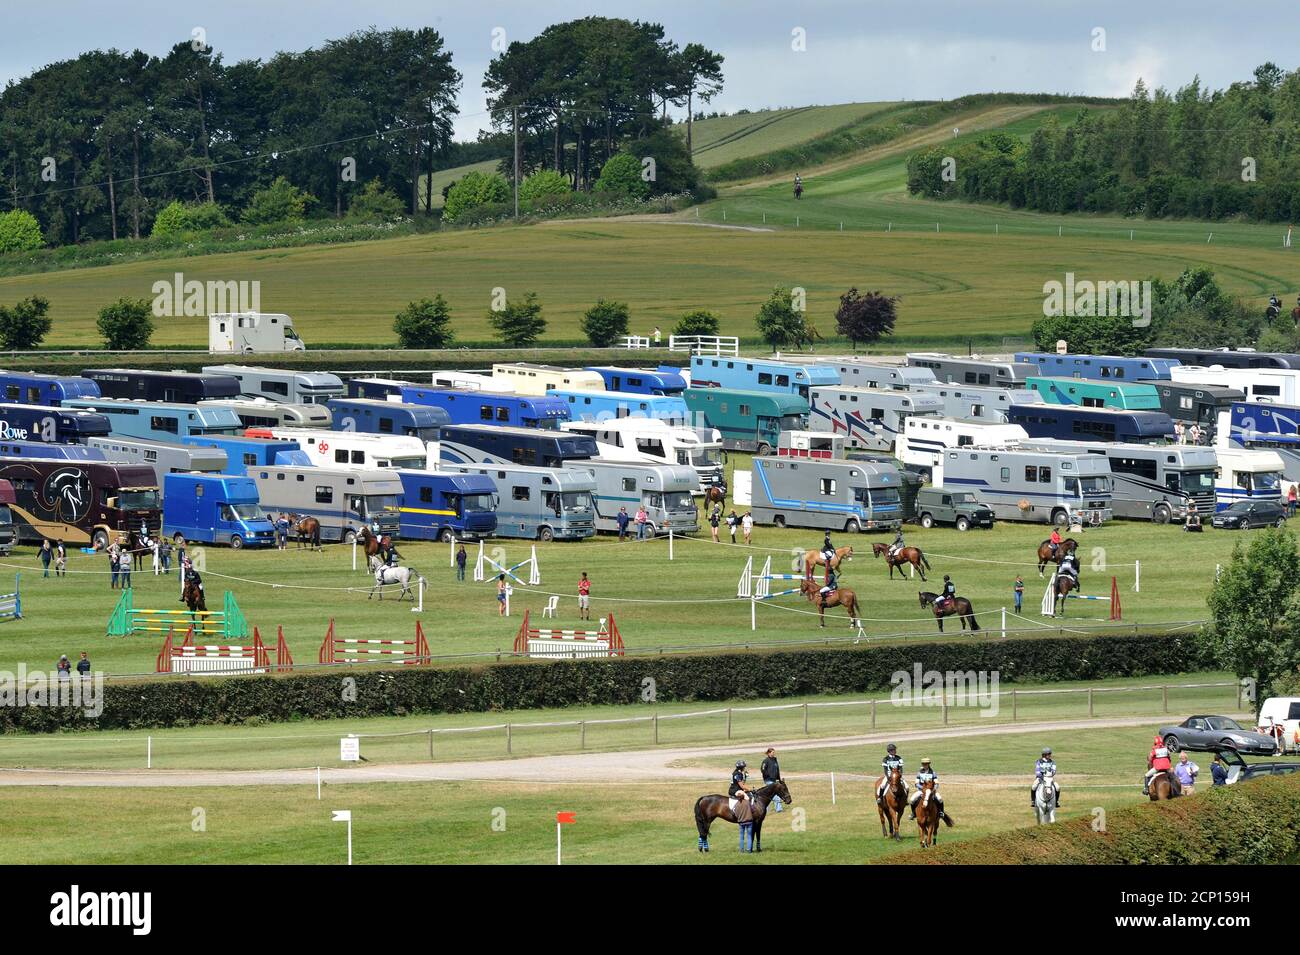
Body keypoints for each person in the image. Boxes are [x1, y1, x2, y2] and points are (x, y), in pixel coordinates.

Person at [907, 758, 948, 822]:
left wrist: (934, 789)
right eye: (923, 764)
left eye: (926, 764)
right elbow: (916, 783)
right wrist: (923, 788)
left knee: (940, 799)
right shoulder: (919, 773)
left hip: (931, 791)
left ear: (928, 764)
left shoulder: (933, 773)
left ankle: (941, 812)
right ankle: (913, 813)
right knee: (912, 800)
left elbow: (936, 783)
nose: (925, 765)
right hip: (921, 791)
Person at [760, 748, 782, 812]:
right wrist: (768, 775)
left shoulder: (775, 760)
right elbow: (762, 769)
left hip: (774, 780)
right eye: (772, 752)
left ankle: (766, 808)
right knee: (775, 794)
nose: (773, 754)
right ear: (769, 753)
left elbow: (777, 769)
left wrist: (778, 779)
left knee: (770, 794)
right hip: (768, 780)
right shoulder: (766, 761)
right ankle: (779, 809)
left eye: (774, 752)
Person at [734, 785, 754, 853]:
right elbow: (753, 810)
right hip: (749, 821)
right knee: (749, 836)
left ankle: (741, 850)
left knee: (741, 837)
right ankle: (749, 850)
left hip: (741, 822)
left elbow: (735, 813)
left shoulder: (736, 804)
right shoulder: (748, 802)